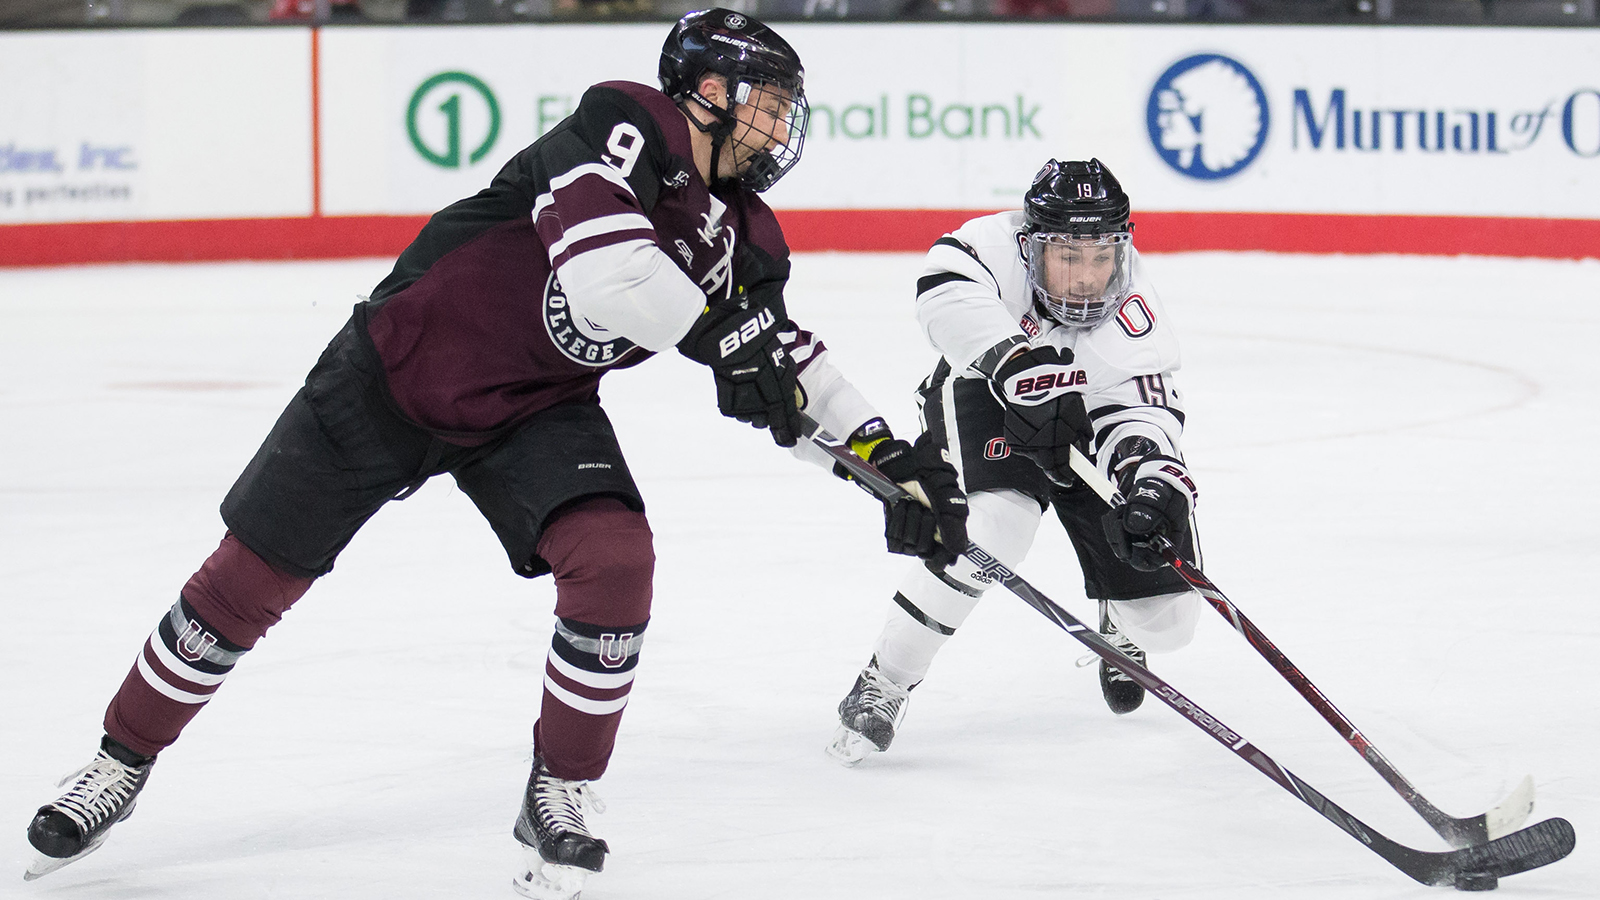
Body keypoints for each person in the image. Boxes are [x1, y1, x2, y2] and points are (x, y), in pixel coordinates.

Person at [21, 10, 969, 899]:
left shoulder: (747, 242)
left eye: (783, 107)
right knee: (245, 585)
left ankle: (558, 789)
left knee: (614, 562)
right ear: (702, 90)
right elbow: (608, 274)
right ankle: (117, 761)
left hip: (536, 407)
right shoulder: (624, 126)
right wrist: (723, 337)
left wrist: (887, 460)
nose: (777, 124)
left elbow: (785, 363)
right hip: (394, 370)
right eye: (762, 98)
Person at [825, 158, 1202, 766]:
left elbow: (1143, 416)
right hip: (988, 388)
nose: (1086, 278)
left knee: (1170, 623)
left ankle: (1121, 614)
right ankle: (887, 678)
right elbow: (942, 293)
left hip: (1085, 408)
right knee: (993, 530)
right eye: (1069, 258)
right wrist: (1012, 362)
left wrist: (1149, 486)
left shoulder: (1135, 316)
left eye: (1100, 257)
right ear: (1032, 247)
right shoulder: (994, 245)